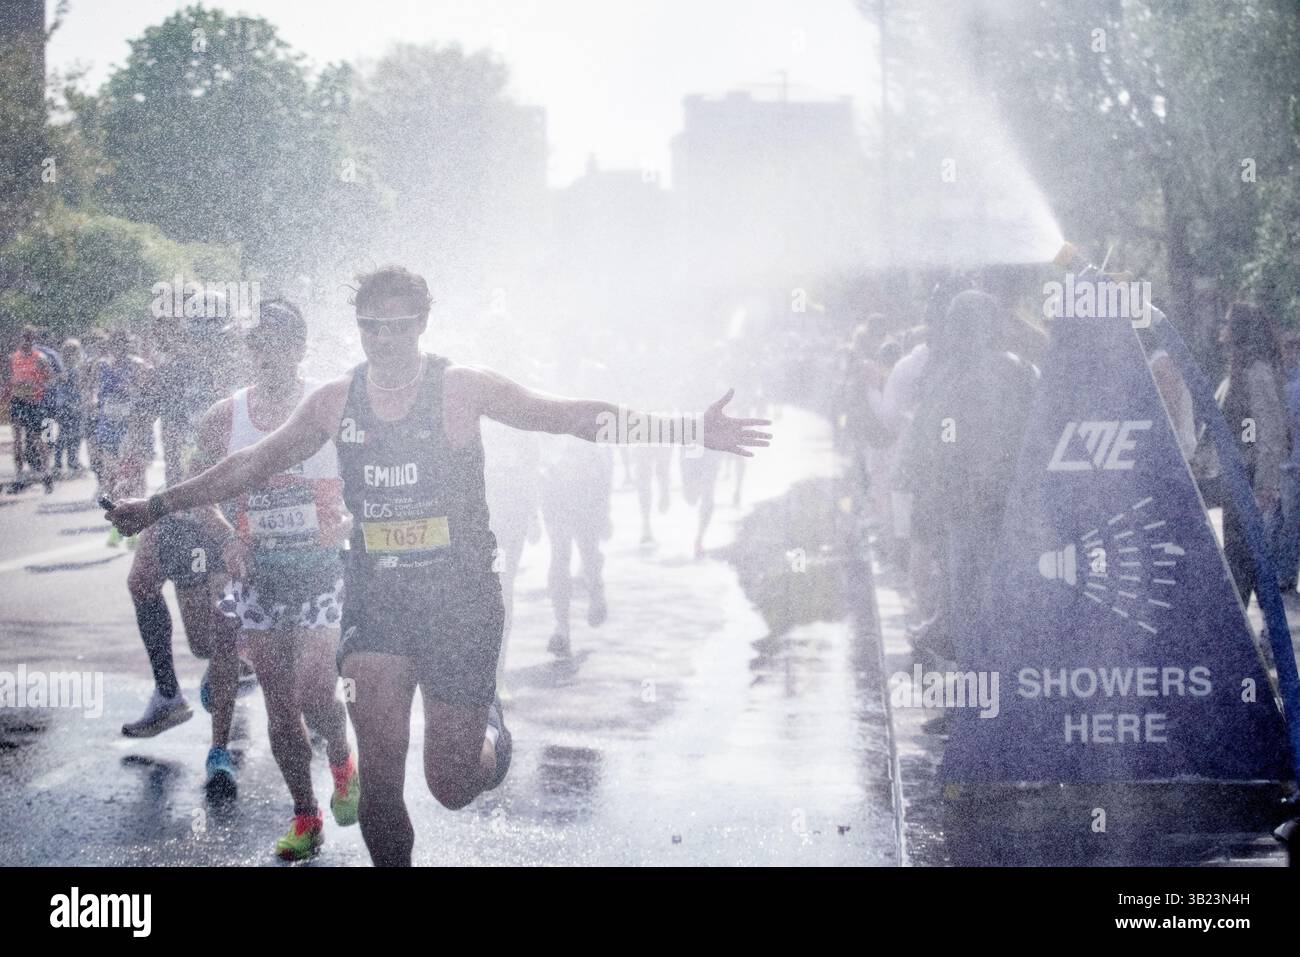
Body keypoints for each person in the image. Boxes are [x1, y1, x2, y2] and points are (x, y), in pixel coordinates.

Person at [106, 265, 771, 866]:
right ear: (358, 329)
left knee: (450, 784)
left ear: (423, 323)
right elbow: (249, 463)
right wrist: (158, 504)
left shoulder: (460, 388)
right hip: (377, 602)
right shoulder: (337, 402)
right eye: (371, 327)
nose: (384, 340)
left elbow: (569, 417)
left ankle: (489, 727)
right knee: (381, 781)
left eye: (398, 326)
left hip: (460, 601)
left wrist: (686, 428)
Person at [200, 301, 359, 859]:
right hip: (261, 581)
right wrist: (226, 538)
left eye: (281, 343)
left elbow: (364, 492)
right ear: (250, 349)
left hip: (320, 573)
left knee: (315, 687)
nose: (269, 354)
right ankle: (306, 817)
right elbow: (204, 495)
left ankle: (342, 761)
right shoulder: (225, 416)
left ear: (300, 347)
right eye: (258, 343)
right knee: (278, 704)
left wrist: (343, 524)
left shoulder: (332, 406)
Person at [1219, 302, 1290, 606]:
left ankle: (1251, 635)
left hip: (1248, 478)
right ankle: (1261, 635)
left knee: (1244, 559)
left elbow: (1268, 430)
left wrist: (1264, 483)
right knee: (1244, 559)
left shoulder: (1255, 373)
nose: (1221, 329)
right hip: (1236, 476)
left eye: (1227, 323)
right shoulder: (1236, 372)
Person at [7, 326, 55, 493]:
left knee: (38, 439)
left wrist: (36, 385)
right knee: (17, 441)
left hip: (34, 402)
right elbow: (10, 378)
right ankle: (19, 476)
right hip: (18, 400)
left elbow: (50, 379)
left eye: (29, 338)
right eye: (23, 338)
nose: (25, 341)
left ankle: (47, 474)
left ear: (33, 339)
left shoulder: (40, 358)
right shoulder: (14, 357)